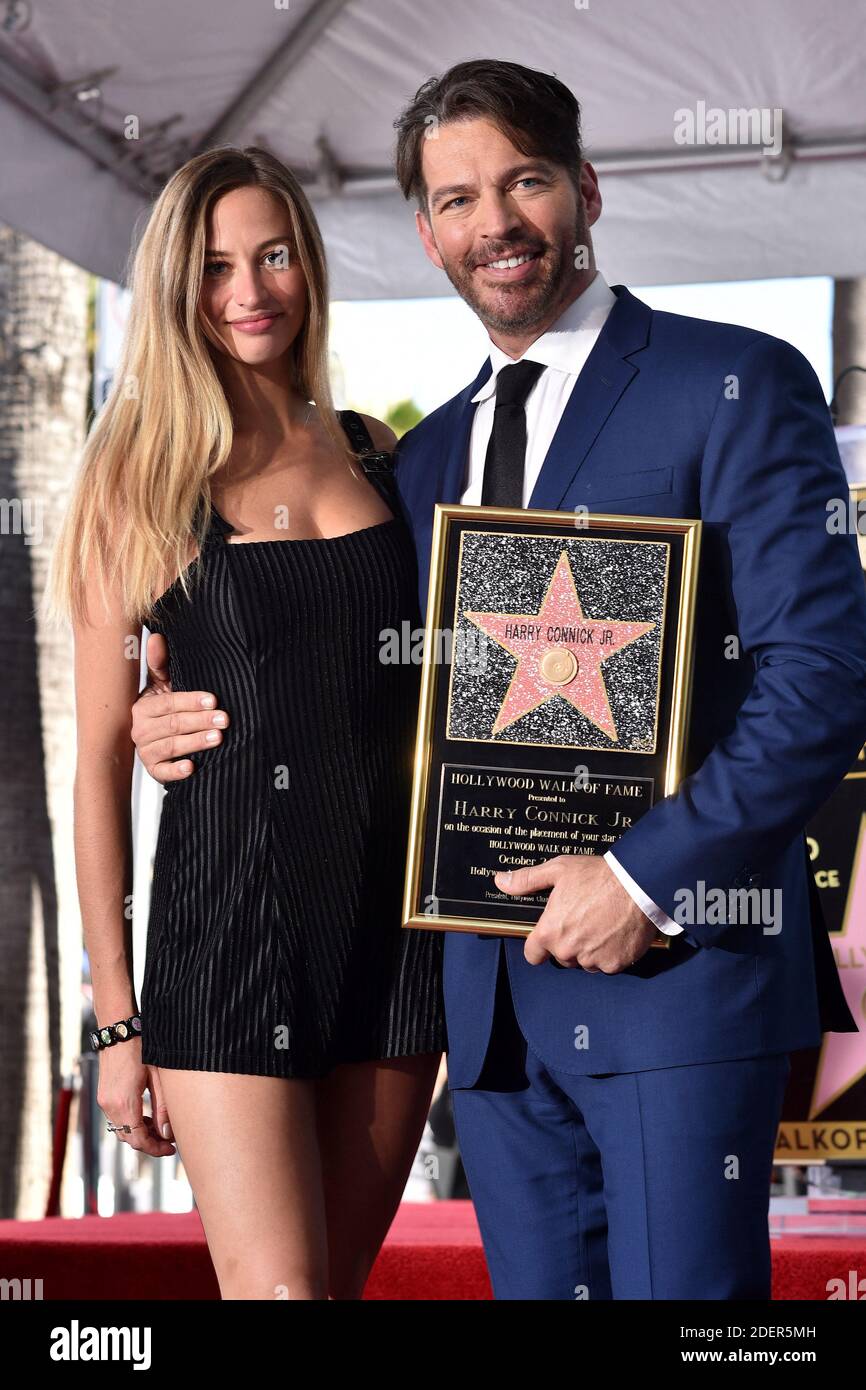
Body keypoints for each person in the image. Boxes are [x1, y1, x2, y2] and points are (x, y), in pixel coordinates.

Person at [129, 60, 866, 1300]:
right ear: (424, 231)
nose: (494, 224)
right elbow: (380, 686)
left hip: (676, 990)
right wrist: (187, 708)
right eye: (456, 199)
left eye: (522, 182)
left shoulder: (728, 383)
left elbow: (823, 678)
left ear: (581, 189)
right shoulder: (412, 466)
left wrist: (643, 878)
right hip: (484, 1016)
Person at [44, 145, 445, 1301]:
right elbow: (95, 771)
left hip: (392, 939)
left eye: (272, 256)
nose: (249, 291)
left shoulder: (379, 451)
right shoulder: (141, 479)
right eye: (215, 267)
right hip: (230, 937)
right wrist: (116, 1025)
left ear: (307, 265)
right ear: (179, 288)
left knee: (334, 1289)